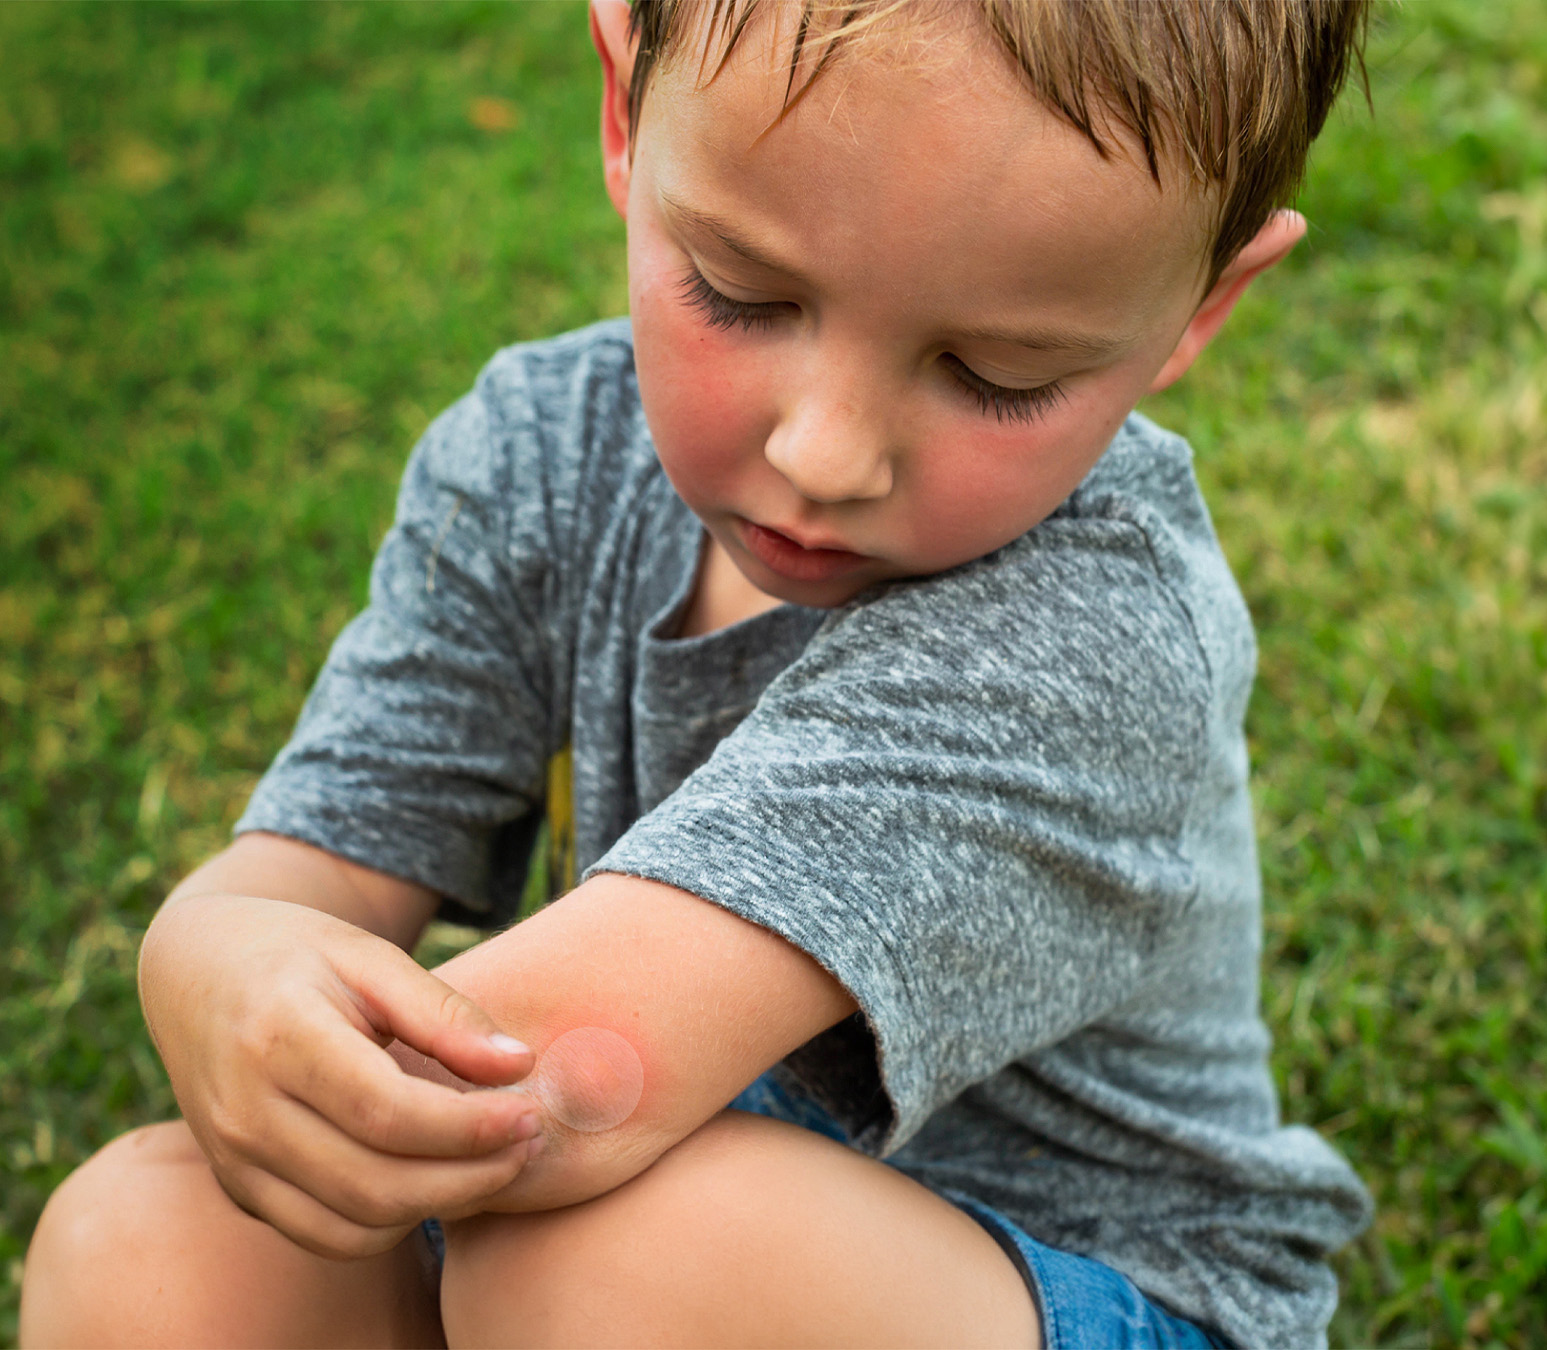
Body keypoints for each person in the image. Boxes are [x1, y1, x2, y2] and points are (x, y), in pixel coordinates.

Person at [22, 0, 1375, 1344]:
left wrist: (306, 1034)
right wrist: (211, 954)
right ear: (624, 111)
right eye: (743, 291)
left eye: (995, 372)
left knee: (605, 1265)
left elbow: (539, 1095)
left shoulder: (1089, 634)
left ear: (1199, 304)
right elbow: (308, 862)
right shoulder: (545, 456)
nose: (827, 453)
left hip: (1076, 1295)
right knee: (142, 1241)